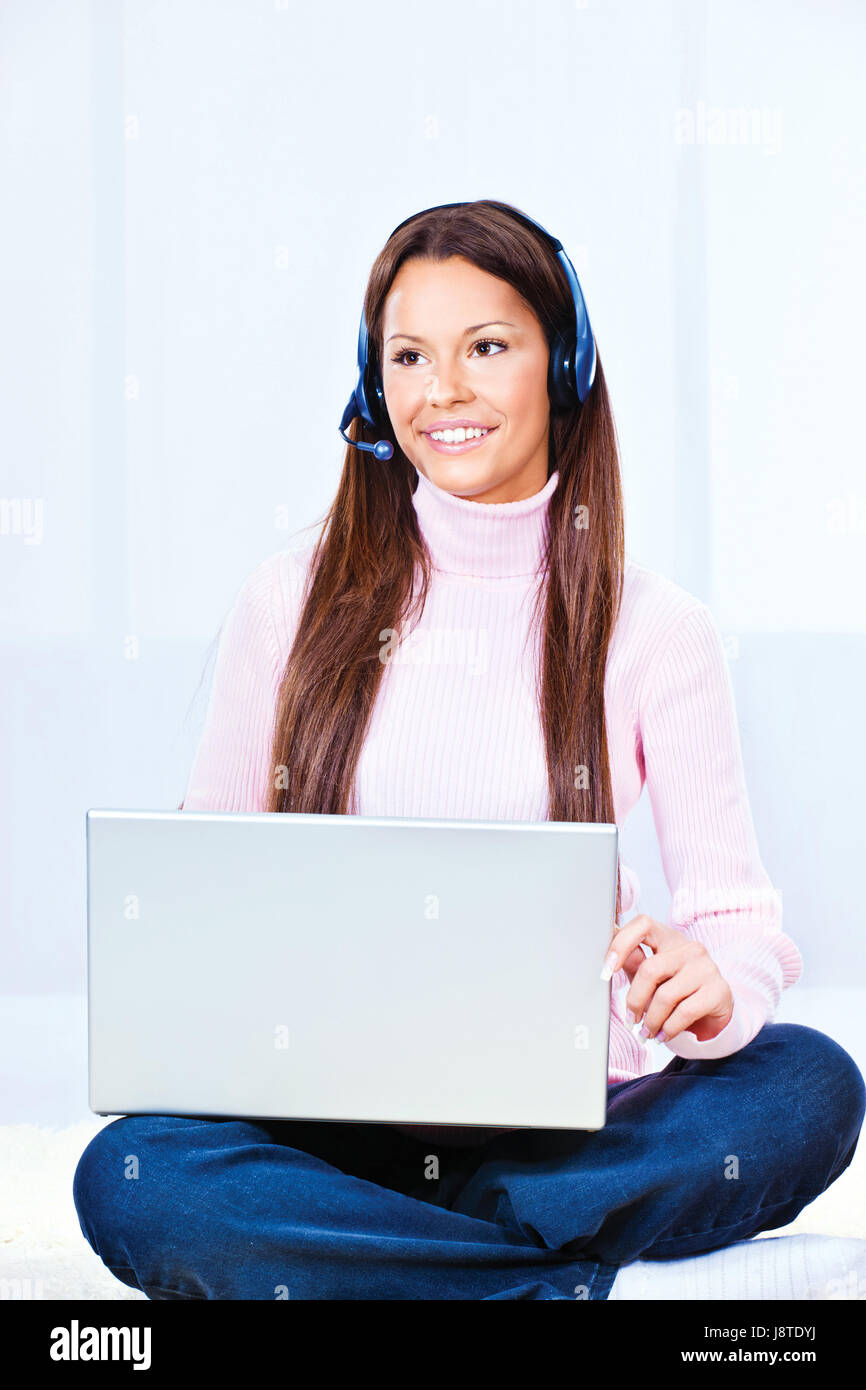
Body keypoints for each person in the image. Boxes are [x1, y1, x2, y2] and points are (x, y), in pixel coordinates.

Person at [73, 200, 866, 1300]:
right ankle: (524, 1278)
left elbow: (737, 920)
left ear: (564, 365)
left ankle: (386, 1253)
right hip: (325, 1129)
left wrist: (713, 985)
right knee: (130, 1170)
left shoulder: (656, 629)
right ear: (372, 384)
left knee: (805, 1086)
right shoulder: (286, 603)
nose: (441, 389)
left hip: (558, 1133)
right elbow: (210, 902)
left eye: (485, 347)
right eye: (408, 356)